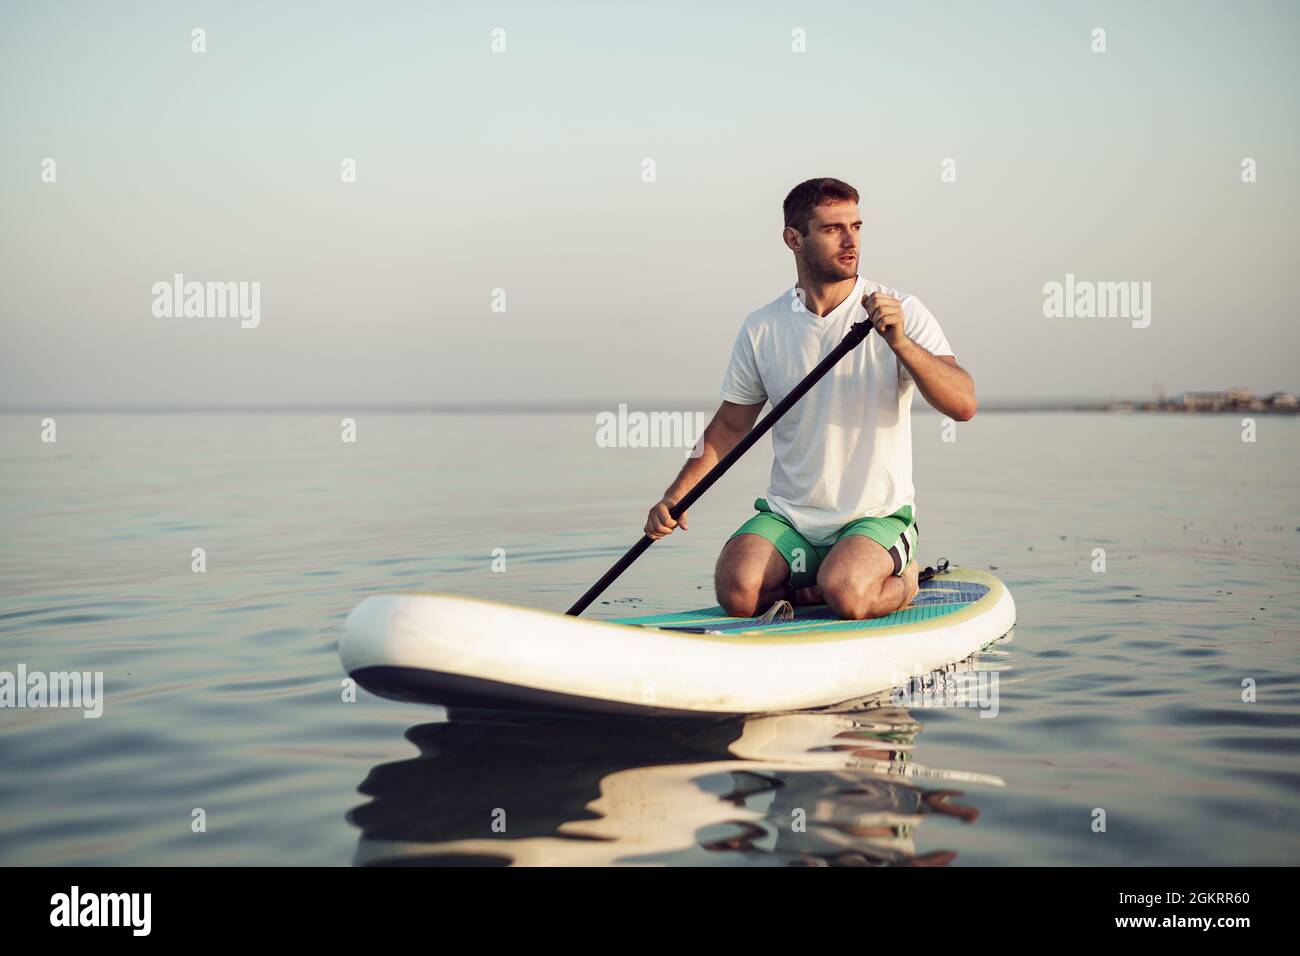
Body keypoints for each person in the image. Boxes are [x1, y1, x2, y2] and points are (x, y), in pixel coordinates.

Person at [644, 177, 977, 621]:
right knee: (737, 592)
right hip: (792, 520)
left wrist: (901, 343)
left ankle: (903, 580)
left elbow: (963, 404)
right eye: (833, 228)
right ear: (793, 239)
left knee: (850, 595)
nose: (851, 240)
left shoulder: (901, 310)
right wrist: (676, 495)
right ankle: (813, 589)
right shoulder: (763, 327)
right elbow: (730, 426)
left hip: (875, 518)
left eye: (856, 226)